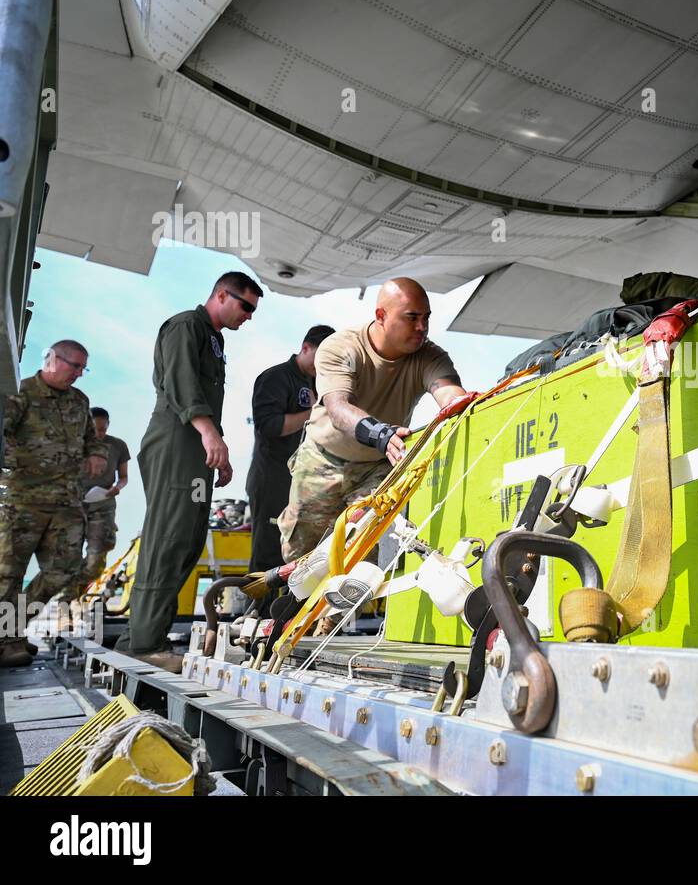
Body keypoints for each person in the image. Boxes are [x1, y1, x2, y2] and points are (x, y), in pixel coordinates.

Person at [115, 272, 262, 670]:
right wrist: (209, 435)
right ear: (220, 294)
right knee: (169, 537)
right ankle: (145, 645)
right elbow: (181, 385)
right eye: (245, 305)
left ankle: (141, 636)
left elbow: (206, 398)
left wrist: (218, 448)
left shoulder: (215, 339)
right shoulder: (186, 325)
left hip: (195, 447)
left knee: (189, 539)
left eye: (253, 310)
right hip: (177, 440)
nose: (248, 316)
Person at [279, 279, 467, 566]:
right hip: (322, 462)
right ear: (381, 316)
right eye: (411, 318)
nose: (422, 327)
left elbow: (450, 397)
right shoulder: (341, 347)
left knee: (362, 554)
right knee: (301, 559)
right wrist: (379, 432)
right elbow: (338, 408)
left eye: (426, 318)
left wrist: (466, 403)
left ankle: (346, 610)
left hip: (376, 468)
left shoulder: (429, 356)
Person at [0, 342, 108, 667]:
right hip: (23, 501)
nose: (77, 374)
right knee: (9, 575)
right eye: (73, 366)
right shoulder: (21, 393)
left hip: (66, 501)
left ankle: (11, 629)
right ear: (50, 358)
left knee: (64, 571)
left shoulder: (80, 401)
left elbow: (93, 439)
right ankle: (8, 640)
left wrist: (96, 454)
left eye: (82, 369)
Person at [246, 324, 334, 573]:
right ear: (306, 348)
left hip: (307, 480)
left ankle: (288, 612)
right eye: (321, 357)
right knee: (269, 552)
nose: (324, 365)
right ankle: (258, 611)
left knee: (301, 554)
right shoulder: (275, 378)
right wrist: (314, 412)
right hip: (272, 478)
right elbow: (269, 426)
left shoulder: (319, 383)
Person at [60, 407, 131, 598]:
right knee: (68, 558)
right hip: (73, 507)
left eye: (103, 430)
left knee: (95, 563)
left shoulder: (118, 446)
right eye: (95, 430)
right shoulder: (72, 444)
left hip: (103, 506)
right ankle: (68, 600)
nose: (99, 434)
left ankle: (73, 592)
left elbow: (124, 477)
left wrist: (118, 487)